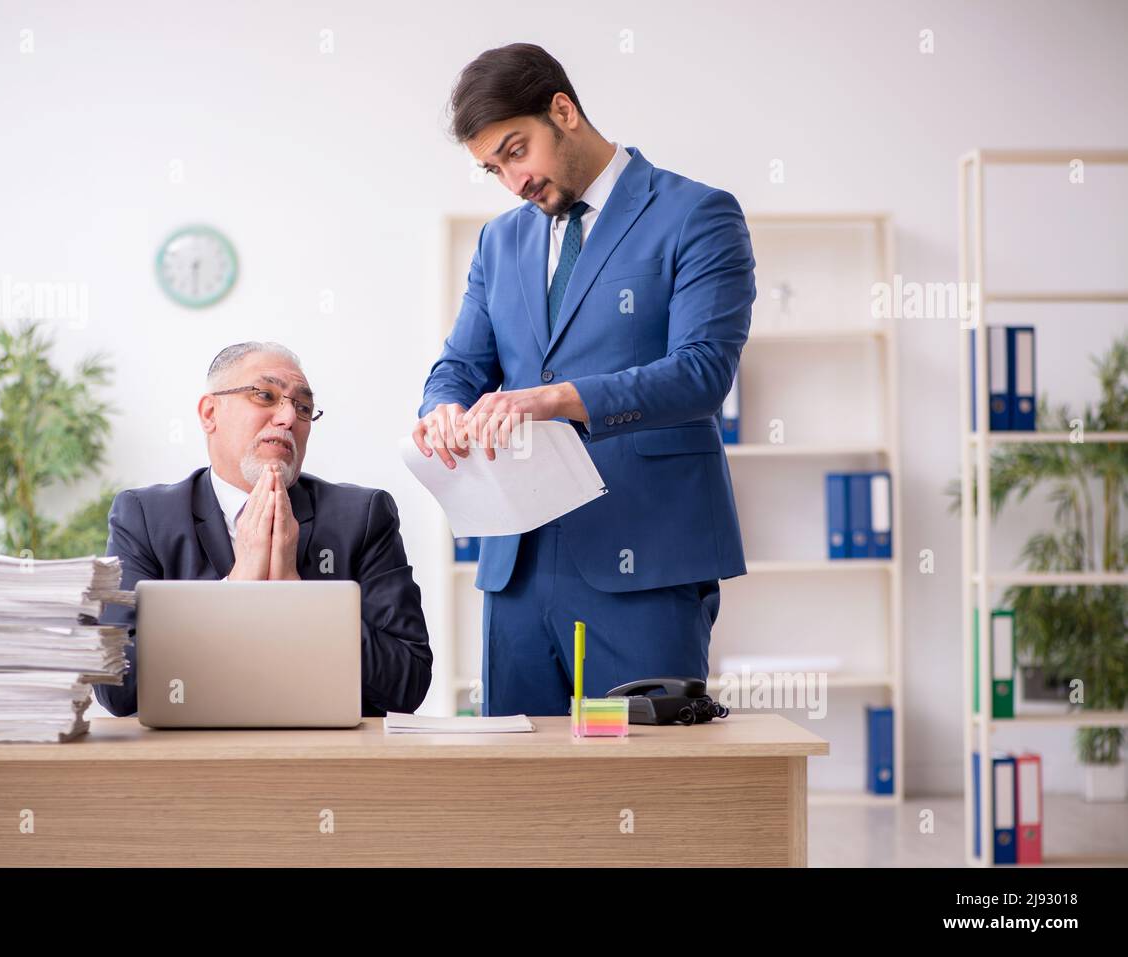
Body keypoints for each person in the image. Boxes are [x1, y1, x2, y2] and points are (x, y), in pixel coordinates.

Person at [414, 43, 755, 717]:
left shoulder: (696, 214)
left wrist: (557, 399)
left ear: (563, 111)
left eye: (517, 151)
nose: (513, 181)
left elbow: (701, 373)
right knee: (524, 794)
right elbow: (460, 363)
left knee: (646, 787)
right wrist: (443, 407)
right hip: (517, 561)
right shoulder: (499, 241)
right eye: (492, 168)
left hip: (645, 552)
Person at [97, 341, 432, 717]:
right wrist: (235, 589)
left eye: (303, 406)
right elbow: (117, 688)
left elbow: (409, 684)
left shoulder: (363, 516)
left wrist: (297, 600)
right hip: (192, 764)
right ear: (210, 413)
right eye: (265, 395)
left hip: (329, 765)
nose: (288, 417)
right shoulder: (144, 516)